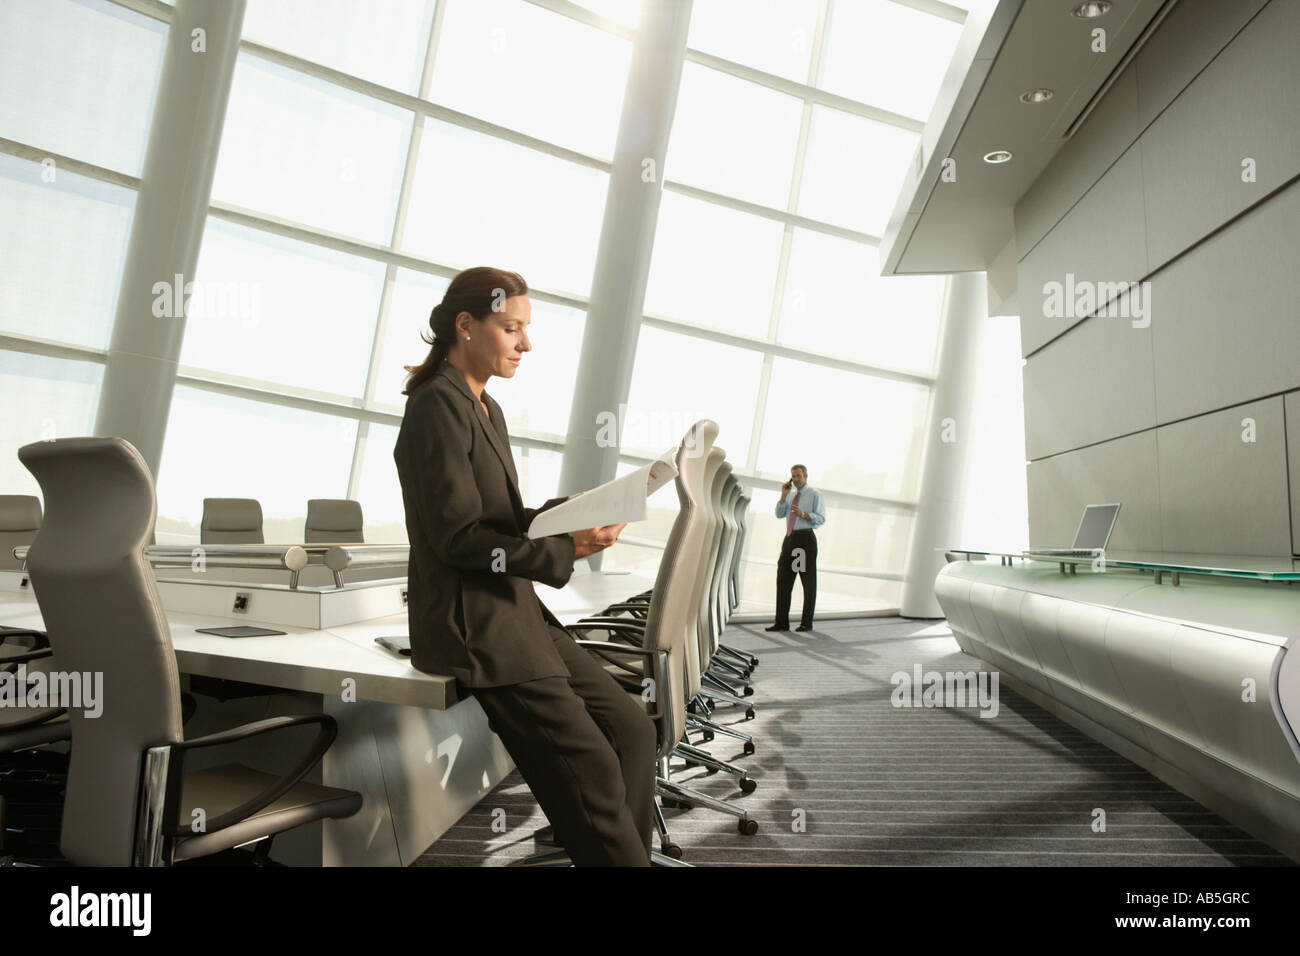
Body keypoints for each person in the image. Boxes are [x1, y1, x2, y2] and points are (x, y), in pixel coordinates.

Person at [393, 266, 657, 866]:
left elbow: (503, 518)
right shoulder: (437, 407)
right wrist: (568, 552)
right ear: (466, 325)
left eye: (525, 330)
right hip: (475, 627)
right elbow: (460, 538)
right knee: (589, 763)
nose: (526, 344)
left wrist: (570, 516)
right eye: (512, 329)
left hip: (515, 611)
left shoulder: (487, 409)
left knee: (632, 730)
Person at [767, 464, 825, 633]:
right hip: (790, 540)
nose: (796, 479)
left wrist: (803, 515)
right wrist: (783, 495)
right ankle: (781, 622)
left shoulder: (814, 494)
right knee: (783, 580)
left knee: (807, 582)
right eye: (793, 476)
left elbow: (821, 518)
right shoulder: (791, 495)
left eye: (798, 475)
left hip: (804, 540)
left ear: (805, 476)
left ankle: (806, 623)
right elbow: (779, 514)